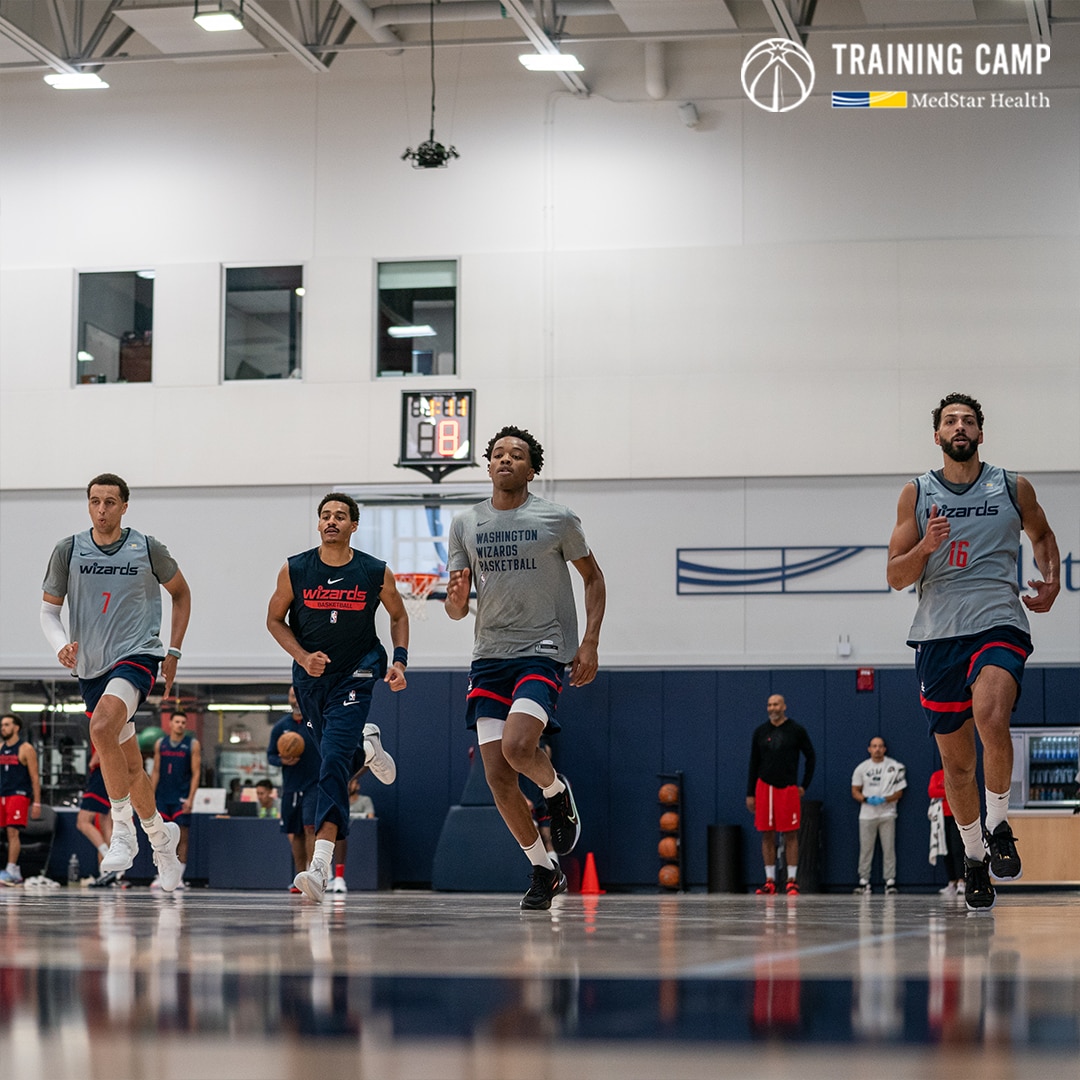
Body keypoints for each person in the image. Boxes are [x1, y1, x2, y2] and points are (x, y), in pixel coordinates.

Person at [887, 393, 1059, 911]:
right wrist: (925, 547)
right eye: (949, 421)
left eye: (967, 420)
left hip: (998, 621)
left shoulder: (1011, 486)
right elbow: (896, 576)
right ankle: (974, 859)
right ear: (937, 436)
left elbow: (1043, 534)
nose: (958, 426)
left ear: (980, 434)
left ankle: (1000, 824)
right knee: (956, 764)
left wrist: (1051, 580)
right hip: (939, 634)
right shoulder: (915, 494)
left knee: (992, 713)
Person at [444, 425, 606, 912]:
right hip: (488, 655)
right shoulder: (466, 523)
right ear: (488, 465)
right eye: (498, 454)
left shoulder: (557, 519)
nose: (506, 460)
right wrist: (454, 601)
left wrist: (590, 643)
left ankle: (557, 790)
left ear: (532, 469)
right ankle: (544, 868)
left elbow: (594, 580)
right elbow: (456, 608)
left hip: (542, 648)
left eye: (517, 455)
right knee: (497, 776)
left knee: (518, 747)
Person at [40, 472, 190, 893]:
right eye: (95, 501)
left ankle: (122, 829)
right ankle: (160, 837)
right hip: (90, 667)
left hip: (137, 654)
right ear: (88, 504)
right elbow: (49, 611)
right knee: (129, 766)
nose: (102, 509)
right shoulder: (68, 550)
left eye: (110, 502)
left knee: (102, 726)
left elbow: (182, 593)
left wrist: (173, 650)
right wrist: (59, 646)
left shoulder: (147, 547)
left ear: (125, 506)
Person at [266, 492, 406, 903]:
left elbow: (398, 615)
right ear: (318, 523)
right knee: (339, 757)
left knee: (329, 762)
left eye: (340, 516)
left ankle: (321, 865)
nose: (331, 521)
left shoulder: (374, 571)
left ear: (353, 525)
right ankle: (368, 748)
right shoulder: (295, 569)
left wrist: (399, 661)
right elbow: (274, 620)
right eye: (325, 516)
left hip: (358, 671)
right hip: (312, 680)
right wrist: (302, 656)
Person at [746, 694, 815, 896]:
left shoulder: (796, 730)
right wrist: (750, 793)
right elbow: (753, 762)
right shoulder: (760, 732)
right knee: (767, 833)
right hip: (764, 787)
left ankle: (792, 881)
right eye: (769, 704)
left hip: (787, 788)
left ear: (784, 706)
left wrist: (804, 785)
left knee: (790, 833)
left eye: (776, 704)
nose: (772, 707)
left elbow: (811, 757)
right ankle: (770, 881)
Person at [267, 686, 321, 892]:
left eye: (299, 695)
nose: (296, 700)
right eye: (292, 696)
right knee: (295, 832)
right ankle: (299, 879)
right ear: (289, 699)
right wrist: (282, 759)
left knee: (310, 828)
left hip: (314, 784)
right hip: (291, 786)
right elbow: (271, 756)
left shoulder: (315, 723)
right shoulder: (281, 727)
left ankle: (313, 875)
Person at [149, 712, 201, 890]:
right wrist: (150, 795)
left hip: (181, 796)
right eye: (177, 721)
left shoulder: (192, 745)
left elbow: (196, 773)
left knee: (182, 837)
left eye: (183, 722)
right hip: (163, 795)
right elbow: (155, 770)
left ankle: (179, 877)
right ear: (170, 724)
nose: (180, 725)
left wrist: (191, 798)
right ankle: (161, 874)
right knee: (159, 837)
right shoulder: (160, 744)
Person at [851, 737, 907, 895]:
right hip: (867, 815)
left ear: (884, 749)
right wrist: (866, 799)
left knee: (888, 848)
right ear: (869, 748)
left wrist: (885, 799)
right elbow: (855, 789)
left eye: (880, 746)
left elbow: (899, 791)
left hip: (887, 813)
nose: (877, 749)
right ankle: (864, 881)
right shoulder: (862, 768)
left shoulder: (894, 767)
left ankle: (890, 882)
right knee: (865, 849)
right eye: (874, 746)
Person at [0, 714, 42, 886]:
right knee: (6, 833)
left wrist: (37, 802)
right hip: (2, 794)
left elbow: (34, 777)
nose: (3, 728)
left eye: (7, 725)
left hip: (18, 794)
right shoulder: (1, 747)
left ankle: (10, 868)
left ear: (16, 727)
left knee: (13, 832)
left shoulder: (26, 748)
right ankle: (15, 871)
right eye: (2, 725)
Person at [76, 743, 122, 887]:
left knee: (82, 822)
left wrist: (92, 762)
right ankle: (110, 870)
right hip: (113, 774)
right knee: (106, 823)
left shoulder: (102, 723)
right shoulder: (123, 726)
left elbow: (101, 750)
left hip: (101, 774)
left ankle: (109, 861)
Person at [928, 767, 964, 896]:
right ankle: (952, 881)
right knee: (945, 849)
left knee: (957, 849)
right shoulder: (937, 775)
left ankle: (961, 881)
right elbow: (932, 792)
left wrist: (944, 793)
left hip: (956, 815)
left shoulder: (958, 773)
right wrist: (949, 791)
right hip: (941, 817)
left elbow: (960, 791)